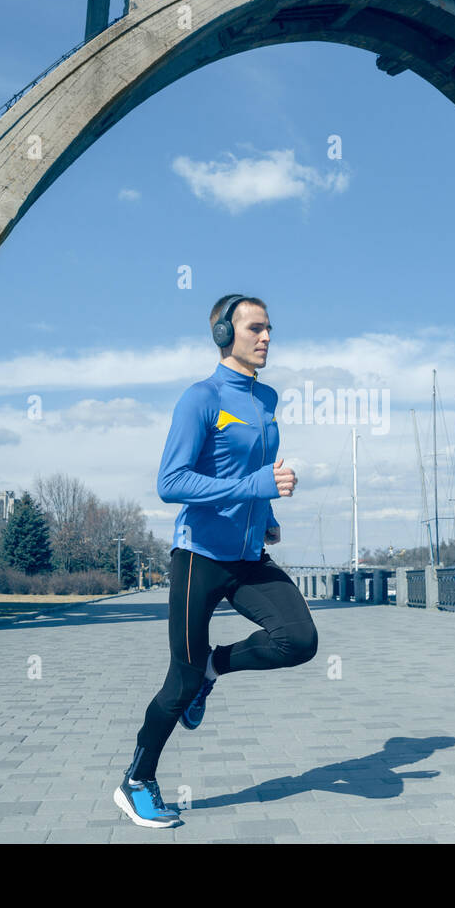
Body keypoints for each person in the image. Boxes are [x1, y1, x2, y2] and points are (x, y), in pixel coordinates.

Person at [114, 293, 320, 828]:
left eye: (270, 328)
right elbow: (171, 482)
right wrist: (253, 485)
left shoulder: (267, 398)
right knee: (178, 683)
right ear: (224, 335)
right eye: (255, 328)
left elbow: (256, 467)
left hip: (249, 556)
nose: (267, 337)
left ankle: (215, 666)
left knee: (299, 641)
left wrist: (266, 508)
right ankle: (137, 779)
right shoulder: (199, 399)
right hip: (199, 557)